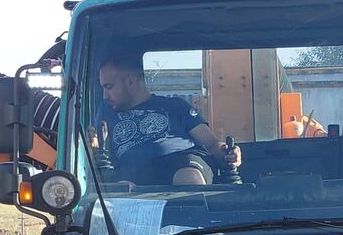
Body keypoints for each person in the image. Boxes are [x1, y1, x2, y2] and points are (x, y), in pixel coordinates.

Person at [94, 54, 241, 186]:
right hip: (135, 172)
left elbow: (212, 144)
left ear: (130, 82)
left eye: (109, 87)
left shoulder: (176, 106)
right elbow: (98, 149)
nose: (105, 95)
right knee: (122, 189)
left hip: (183, 162)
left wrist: (229, 154)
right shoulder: (106, 111)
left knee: (188, 177)